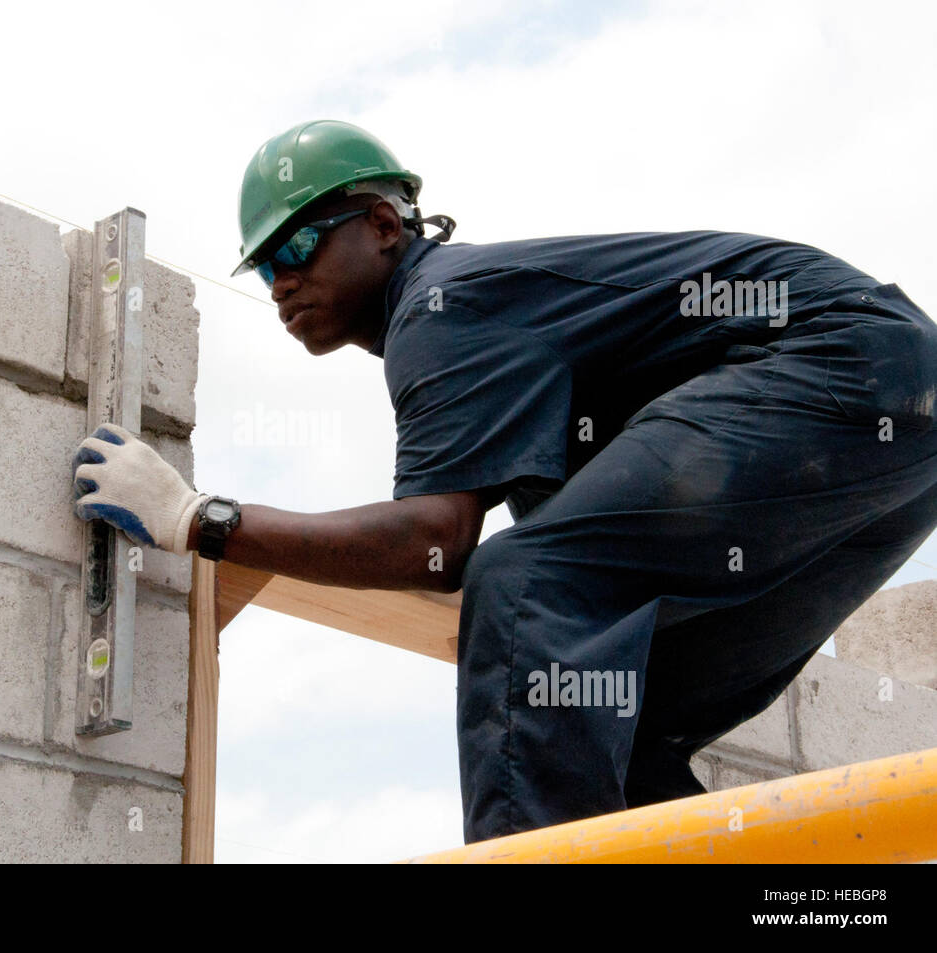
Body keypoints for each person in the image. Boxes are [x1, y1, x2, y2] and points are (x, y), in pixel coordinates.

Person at [72, 119, 937, 844]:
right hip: (900, 428)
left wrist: (201, 519)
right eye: (265, 268)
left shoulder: (443, 307)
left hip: (838, 358)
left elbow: (436, 545)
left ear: (383, 223)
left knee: (526, 578)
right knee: (614, 706)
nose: (284, 279)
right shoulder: (486, 341)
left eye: (298, 243)